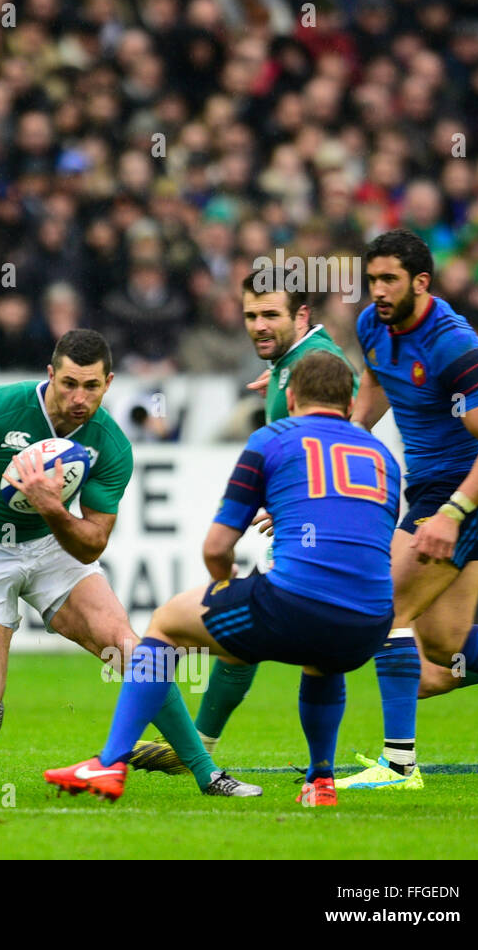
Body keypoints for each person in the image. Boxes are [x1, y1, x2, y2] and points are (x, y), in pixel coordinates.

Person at [0, 329, 260, 798]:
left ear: (109, 383)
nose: (79, 398)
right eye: (70, 384)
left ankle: (206, 773)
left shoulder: (111, 445)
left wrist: (52, 508)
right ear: (50, 375)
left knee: (129, 647)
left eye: (92, 386)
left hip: (52, 549)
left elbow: (91, 545)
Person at [45, 352, 400, 806]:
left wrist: (222, 584)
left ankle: (109, 763)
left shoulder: (272, 438)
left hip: (295, 605)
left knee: (167, 623)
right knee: (324, 657)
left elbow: (216, 546)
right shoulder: (383, 456)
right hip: (370, 622)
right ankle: (321, 781)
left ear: (289, 397)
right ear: (351, 404)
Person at [131, 267, 357, 772]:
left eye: (271, 315)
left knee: (206, 628)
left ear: (301, 315)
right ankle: (210, 750)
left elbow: (352, 416)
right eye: (251, 314)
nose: (258, 325)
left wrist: (314, 495)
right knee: (262, 644)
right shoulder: (292, 363)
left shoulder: (316, 363)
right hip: (313, 533)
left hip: (315, 536)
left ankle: (128, 754)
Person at [336, 229, 478, 790]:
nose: (378, 292)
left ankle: (399, 766)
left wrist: (454, 513)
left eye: (389, 280)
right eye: (372, 281)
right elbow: (373, 391)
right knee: (444, 647)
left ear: (421, 282)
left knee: (388, 608)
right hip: (430, 492)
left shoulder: (455, 345)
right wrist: (338, 446)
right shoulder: (373, 325)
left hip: (471, 491)